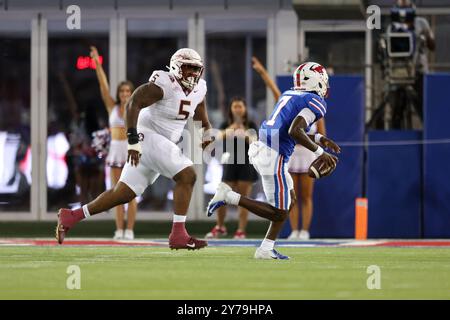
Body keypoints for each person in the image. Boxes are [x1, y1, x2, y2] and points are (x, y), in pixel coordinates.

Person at [56, 48, 213, 250]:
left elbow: (202, 118)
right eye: (188, 68)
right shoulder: (164, 83)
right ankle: (178, 234)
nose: (192, 73)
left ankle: (72, 216)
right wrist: (132, 140)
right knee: (187, 175)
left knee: (122, 194)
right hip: (146, 136)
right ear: (176, 67)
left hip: (161, 144)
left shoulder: (200, 89)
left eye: (195, 69)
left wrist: (207, 134)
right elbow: (133, 104)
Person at [207, 62, 340, 260]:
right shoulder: (315, 100)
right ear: (315, 81)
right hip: (273, 154)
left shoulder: (290, 94)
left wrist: (320, 139)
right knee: (278, 212)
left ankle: (266, 248)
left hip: (265, 148)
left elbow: (290, 129)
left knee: (291, 200)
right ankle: (228, 197)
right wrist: (320, 152)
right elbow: (295, 130)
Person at [252, 57, 327, 240]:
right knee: (290, 194)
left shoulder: (315, 110)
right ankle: (294, 230)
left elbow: (322, 137)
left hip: (307, 154)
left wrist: (319, 149)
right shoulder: (293, 102)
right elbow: (276, 92)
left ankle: (305, 231)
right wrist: (262, 72)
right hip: (290, 151)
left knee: (306, 196)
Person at [90, 46, 138, 240]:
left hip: (131, 151)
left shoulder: (137, 108)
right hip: (115, 151)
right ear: (118, 94)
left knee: (132, 193)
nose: (125, 94)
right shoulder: (112, 107)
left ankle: (130, 229)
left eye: (128, 91)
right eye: (122, 91)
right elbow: (103, 86)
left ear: (132, 93)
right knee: (116, 193)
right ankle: (119, 229)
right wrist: (96, 63)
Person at [206, 97, 258, 239]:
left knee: (243, 199)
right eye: (235, 106)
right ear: (231, 109)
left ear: (245, 109)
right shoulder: (225, 124)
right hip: (230, 163)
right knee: (222, 195)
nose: (237, 109)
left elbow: (256, 141)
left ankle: (241, 231)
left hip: (246, 164)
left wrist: (245, 135)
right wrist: (228, 131)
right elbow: (216, 138)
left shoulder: (251, 124)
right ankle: (220, 226)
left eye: (240, 106)